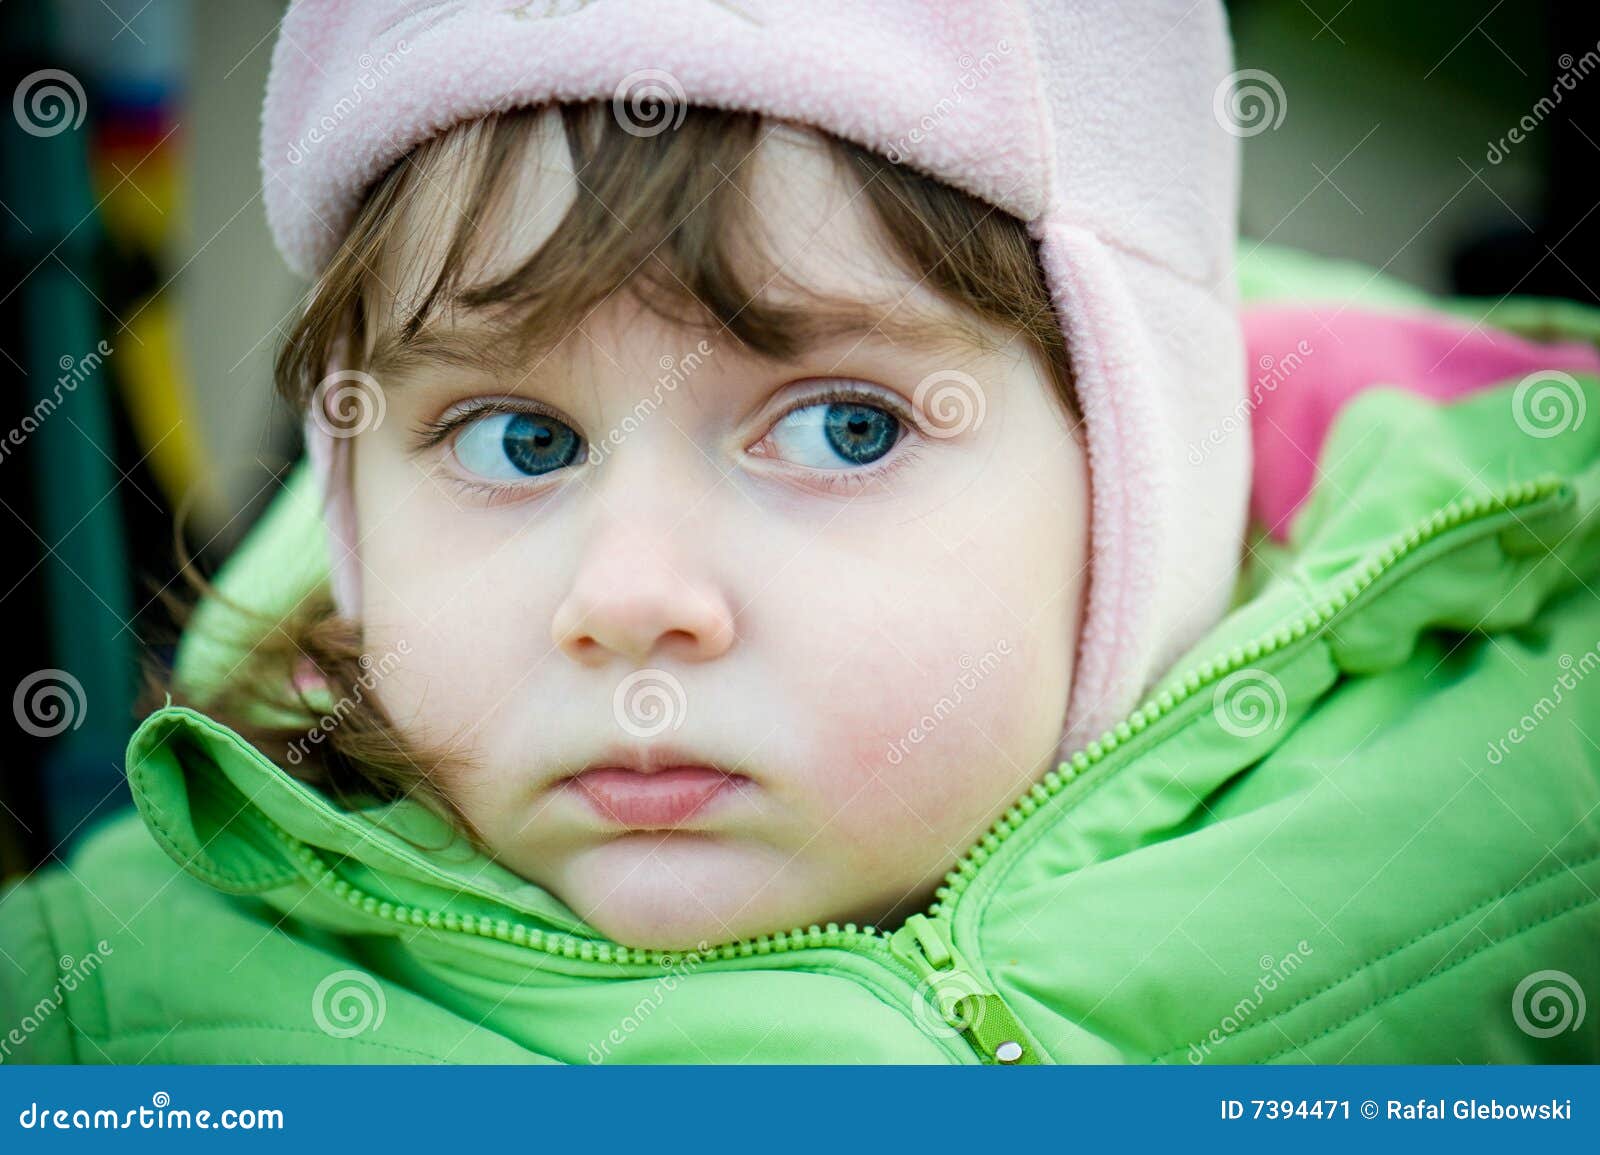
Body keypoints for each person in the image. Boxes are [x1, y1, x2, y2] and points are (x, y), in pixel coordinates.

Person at [2, 0, 1596, 1064]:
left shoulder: (1529, 811)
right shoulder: (112, 1003)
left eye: (845, 428)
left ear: (1134, 490)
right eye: (517, 439)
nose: (630, 605)